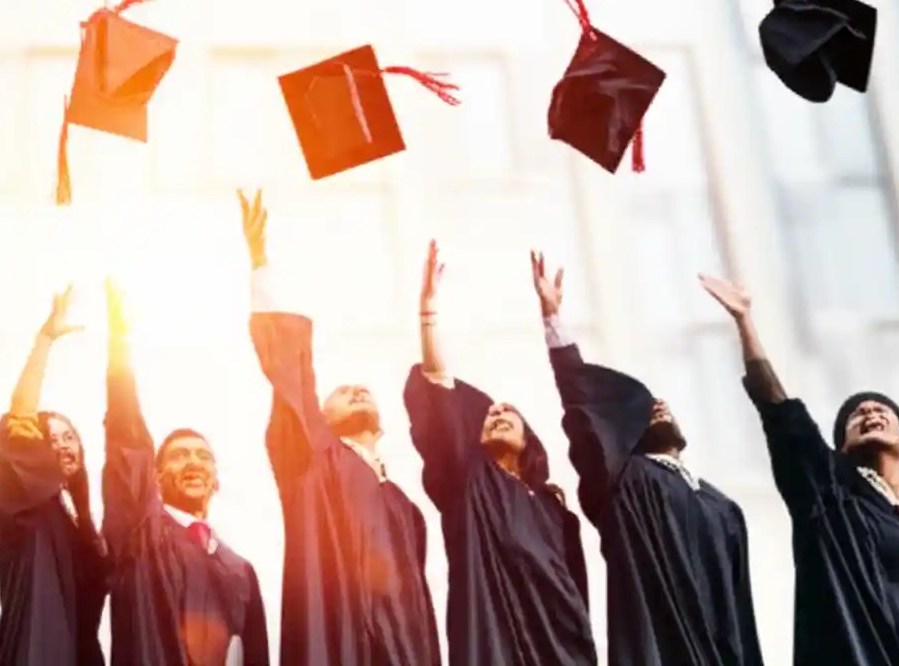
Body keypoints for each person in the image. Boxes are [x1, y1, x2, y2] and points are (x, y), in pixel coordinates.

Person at [239, 190, 441, 666]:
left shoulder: (406, 508)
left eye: (363, 389)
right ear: (319, 419)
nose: (356, 389)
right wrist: (260, 263)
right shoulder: (313, 456)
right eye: (342, 390)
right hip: (337, 642)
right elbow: (292, 376)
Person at [533, 252, 763, 666]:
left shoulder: (722, 506)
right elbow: (585, 414)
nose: (658, 406)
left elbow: (740, 608)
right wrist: (555, 324)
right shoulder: (623, 480)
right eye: (646, 408)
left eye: (664, 405)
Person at [701, 273, 899, 665]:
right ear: (841, 449)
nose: (868, 411)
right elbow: (781, 413)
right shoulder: (829, 498)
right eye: (856, 414)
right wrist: (745, 322)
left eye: (880, 409)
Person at [403, 240, 595, 666]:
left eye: (509, 411)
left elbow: (577, 592)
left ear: (532, 439)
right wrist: (428, 311)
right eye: (489, 414)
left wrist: (552, 317)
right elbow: (437, 387)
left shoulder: (555, 512)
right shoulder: (467, 481)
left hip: (561, 649)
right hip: (494, 640)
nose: (498, 412)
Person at [101, 280, 268, 666]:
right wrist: (119, 348)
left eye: (203, 457)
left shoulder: (240, 570)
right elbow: (127, 444)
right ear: (155, 477)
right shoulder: (140, 536)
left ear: (215, 476)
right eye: (178, 456)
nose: (193, 463)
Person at [0, 286, 108, 666]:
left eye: (70, 437)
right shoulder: (19, 501)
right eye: (50, 439)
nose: (64, 446)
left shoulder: (81, 524)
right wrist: (43, 343)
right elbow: (20, 422)